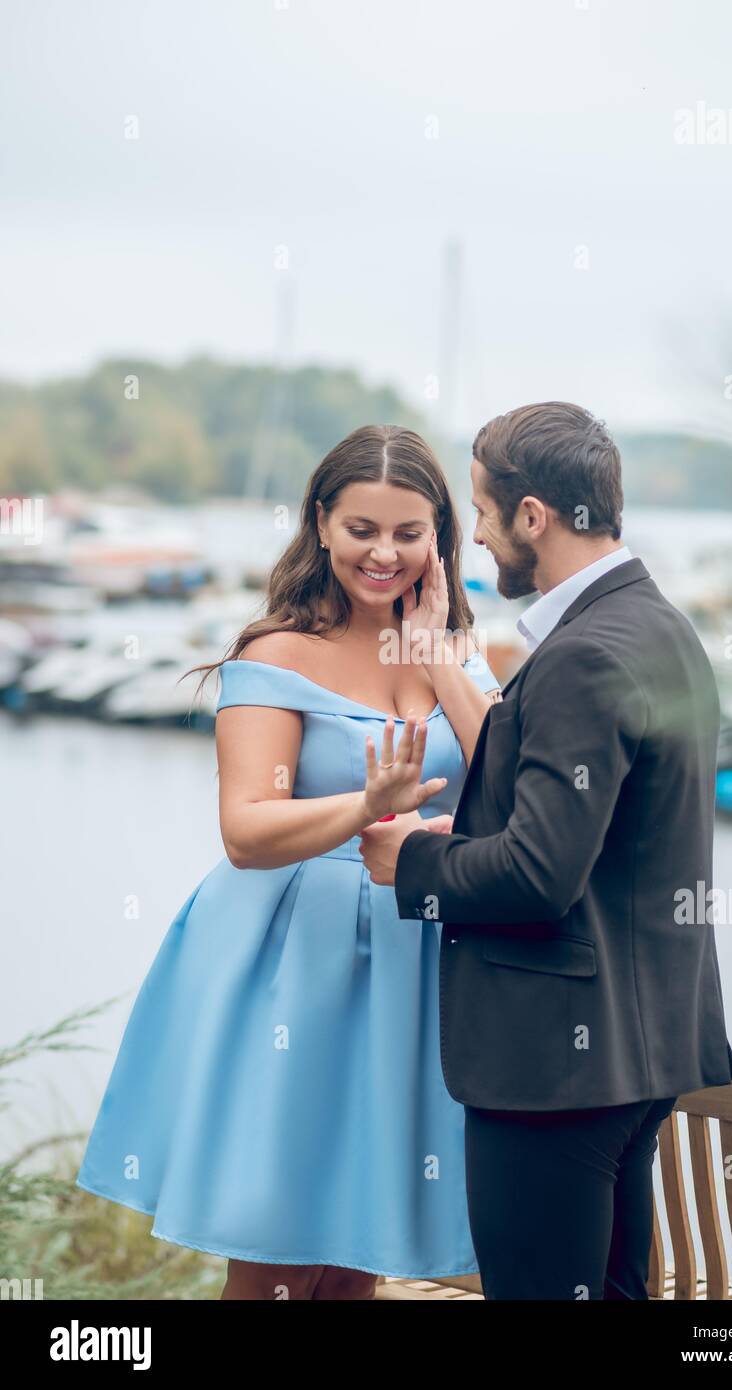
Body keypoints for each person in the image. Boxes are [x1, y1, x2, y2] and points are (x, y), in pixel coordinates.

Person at [75, 424, 502, 1300]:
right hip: (293, 966)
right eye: (361, 530)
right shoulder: (275, 654)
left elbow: (513, 770)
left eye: (407, 533)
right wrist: (365, 807)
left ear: (440, 537)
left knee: (358, 1246)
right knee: (276, 1249)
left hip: (414, 957)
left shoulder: (457, 652)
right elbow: (246, 829)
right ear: (320, 524)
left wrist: (440, 661)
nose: (384, 554)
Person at [360, 401, 732, 1301]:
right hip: (638, 1054)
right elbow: (597, 833)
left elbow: (539, 875)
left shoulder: (581, 656)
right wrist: (445, 669)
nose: (480, 539)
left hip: (557, 1073)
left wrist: (410, 864)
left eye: (486, 516)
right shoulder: (659, 628)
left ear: (535, 515)